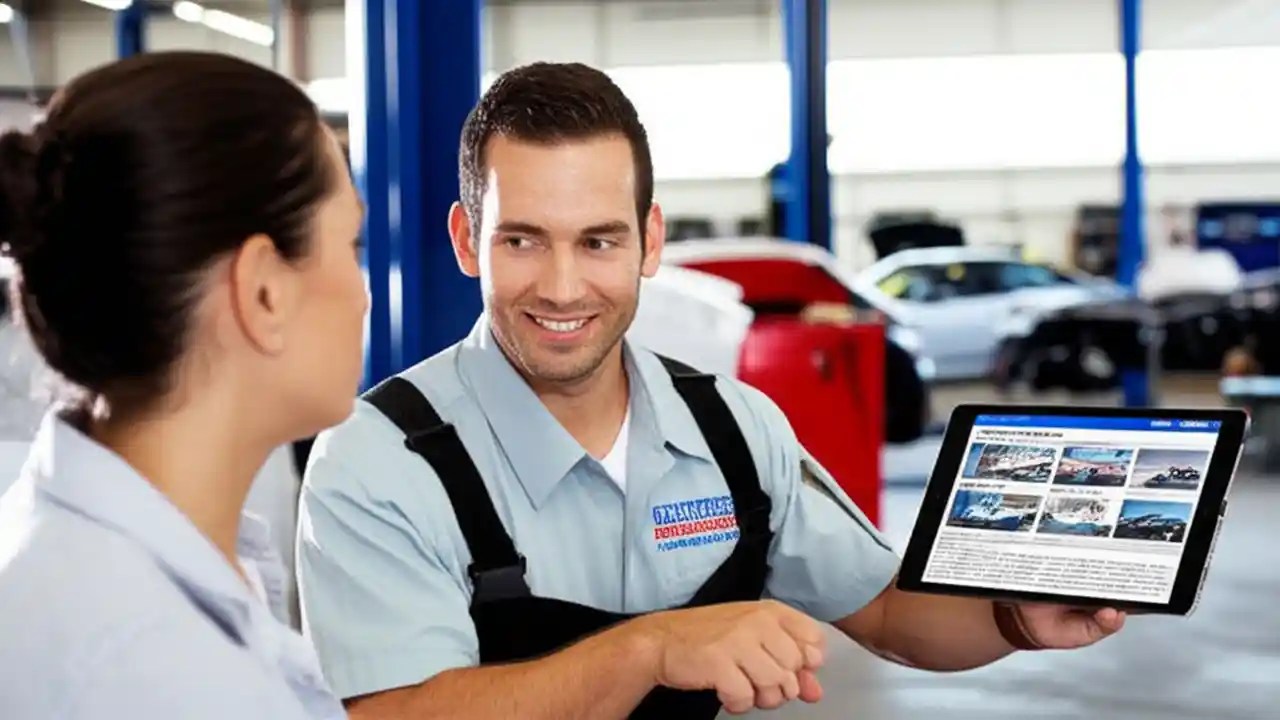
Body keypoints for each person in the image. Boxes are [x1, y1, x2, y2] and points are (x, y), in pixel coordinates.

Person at [296, 62, 1126, 719]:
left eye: (598, 241)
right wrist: (651, 649)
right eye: (522, 239)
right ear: (465, 240)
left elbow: (885, 609)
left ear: (649, 242)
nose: (561, 285)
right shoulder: (376, 462)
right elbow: (396, 715)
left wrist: (1016, 615)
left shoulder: (733, 430)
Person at [0, 51, 367, 719]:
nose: (363, 294)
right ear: (263, 291)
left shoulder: (69, 561)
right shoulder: (156, 676)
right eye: (351, 244)